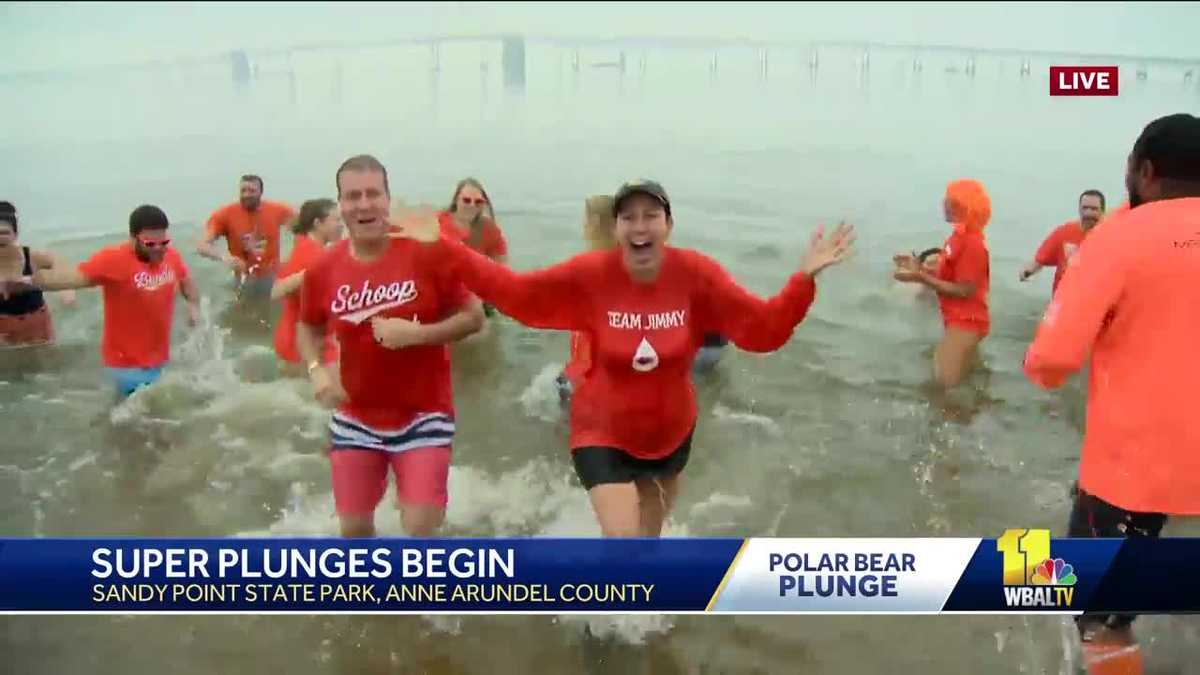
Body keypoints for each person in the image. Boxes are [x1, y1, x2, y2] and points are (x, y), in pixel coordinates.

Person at [392, 179, 854, 538]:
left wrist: (804, 280)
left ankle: (632, 631)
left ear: (667, 225)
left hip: (671, 434)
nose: (639, 226)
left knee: (646, 551)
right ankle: (597, 628)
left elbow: (763, 331)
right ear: (616, 230)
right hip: (601, 430)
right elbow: (516, 293)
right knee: (623, 542)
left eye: (650, 215)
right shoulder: (591, 275)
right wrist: (444, 247)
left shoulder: (696, 274)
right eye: (628, 217)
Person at [1024, 113, 1200, 675]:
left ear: (1143, 170)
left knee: (1099, 615)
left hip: (1137, 466)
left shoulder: (1117, 238)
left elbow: (1052, 359)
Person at [296, 155, 484, 539]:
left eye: (372, 194)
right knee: (353, 531)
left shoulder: (425, 253)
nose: (363, 205)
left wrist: (417, 335)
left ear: (387, 199)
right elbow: (308, 326)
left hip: (424, 413)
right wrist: (316, 370)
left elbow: (474, 316)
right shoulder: (323, 268)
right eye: (352, 196)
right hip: (355, 417)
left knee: (420, 529)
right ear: (340, 205)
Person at [32, 205, 199, 397]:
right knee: (135, 421)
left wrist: (193, 306)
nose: (158, 249)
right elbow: (71, 278)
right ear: (133, 238)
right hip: (125, 366)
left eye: (163, 242)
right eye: (150, 244)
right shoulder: (114, 260)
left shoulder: (171, 256)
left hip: (159, 358)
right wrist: (27, 281)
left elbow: (186, 280)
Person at [893, 179, 992, 389]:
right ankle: (977, 416)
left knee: (942, 389)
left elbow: (965, 290)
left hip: (967, 322)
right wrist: (917, 266)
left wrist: (920, 278)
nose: (943, 203)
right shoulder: (957, 238)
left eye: (949, 200)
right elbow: (949, 276)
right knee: (965, 384)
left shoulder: (972, 244)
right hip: (956, 320)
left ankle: (959, 419)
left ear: (962, 206)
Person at [271, 198, 343, 370]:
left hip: (298, 343)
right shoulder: (310, 252)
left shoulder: (307, 247)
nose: (341, 225)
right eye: (336, 220)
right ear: (318, 223)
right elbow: (276, 291)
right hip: (302, 347)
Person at [197, 174, 296, 297]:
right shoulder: (225, 215)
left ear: (261, 192)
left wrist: (292, 259)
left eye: (252, 191)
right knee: (242, 310)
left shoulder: (278, 210)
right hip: (243, 278)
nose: (246, 195)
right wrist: (225, 257)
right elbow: (202, 246)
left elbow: (304, 231)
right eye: (243, 190)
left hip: (271, 276)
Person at [0, 201, 76, 347]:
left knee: (45, 361)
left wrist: (66, 288)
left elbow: (58, 261)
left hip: (37, 322)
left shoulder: (30, 257)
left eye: (4, 233)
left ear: (15, 234)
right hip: (3, 327)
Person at [438, 178, 508, 318]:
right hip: (445, 294)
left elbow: (502, 266)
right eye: (466, 200)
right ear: (456, 200)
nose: (472, 205)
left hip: (478, 295)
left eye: (478, 202)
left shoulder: (488, 228)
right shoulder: (438, 223)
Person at [1020, 190, 1106, 295]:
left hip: (1095, 299)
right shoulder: (1064, 232)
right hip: (1063, 299)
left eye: (1094, 209)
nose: (1088, 213)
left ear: (1103, 211)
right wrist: (1027, 271)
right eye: (1085, 208)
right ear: (1079, 209)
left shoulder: (1111, 236)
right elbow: (1040, 260)